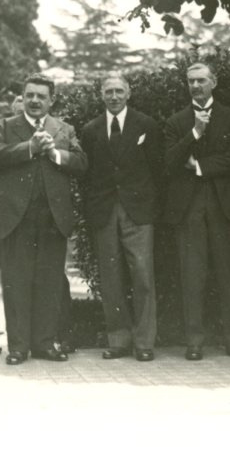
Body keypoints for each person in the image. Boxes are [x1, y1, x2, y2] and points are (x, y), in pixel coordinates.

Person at [0, 74, 86, 365]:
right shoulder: (4, 126)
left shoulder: (63, 129)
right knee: (16, 282)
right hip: (15, 218)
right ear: (23, 97)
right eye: (29, 95)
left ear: (51, 100)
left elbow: (81, 163)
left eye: (41, 96)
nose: (34, 101)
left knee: (49, 283)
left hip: (53, 219)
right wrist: (30, 147)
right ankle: (18, 347)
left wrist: (56, 153)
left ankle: (44, 343)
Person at [162, 63, 230, 361]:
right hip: (189, 208)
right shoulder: (176, 121)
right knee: (192, 275)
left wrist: (200, 166)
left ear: (213, 82)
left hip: (223, 206)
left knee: (229, 274)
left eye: (201, 80)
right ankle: (194, 341)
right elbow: (168, 162)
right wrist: (194, 133)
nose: (196, 86)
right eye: (191, 81)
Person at [80, 73, 162, 361]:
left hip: (138, 212)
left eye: (119, 91)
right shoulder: (90, 130)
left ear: (129, 93)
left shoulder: (146, 125)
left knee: (142, 275)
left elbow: (156, 169)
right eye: (108, 91)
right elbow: (86, 174)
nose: (114, 96)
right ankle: (118, 339)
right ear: (101, 95)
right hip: (104, 212)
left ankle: (144, 342)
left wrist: (149, 205)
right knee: (111, 277)